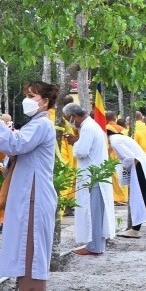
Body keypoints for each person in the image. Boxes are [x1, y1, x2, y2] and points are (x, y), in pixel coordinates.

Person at [0, 82, 58, 291]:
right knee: (27, 250)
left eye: (31, 96)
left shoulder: (43, 124)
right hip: (29, 194)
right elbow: (16, 146)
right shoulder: (36, 124)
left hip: (34, 196)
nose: (26, 99)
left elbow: (16, 144)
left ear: (44, 101)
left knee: (32, 252)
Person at [62, 103, 115, 256]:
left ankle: (94, 247)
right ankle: (97, 245)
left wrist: (74, 143)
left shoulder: (88, 128)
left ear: (74, 116)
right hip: (95, 174)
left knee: (94, 213)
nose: (71, 123)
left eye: (69, 119)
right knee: (96, 212)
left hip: (93, 176)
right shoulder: (90, 126)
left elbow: (82, 152)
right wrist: (77, 140)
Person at [107, 129, 146, 237]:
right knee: (139, 196)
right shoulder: (118, 138)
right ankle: (135, 228)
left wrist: (121, 167)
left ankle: (135, 229)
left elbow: (128, 158)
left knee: (138, 197)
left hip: (139, 166)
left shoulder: (114, 140)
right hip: (140, 165)